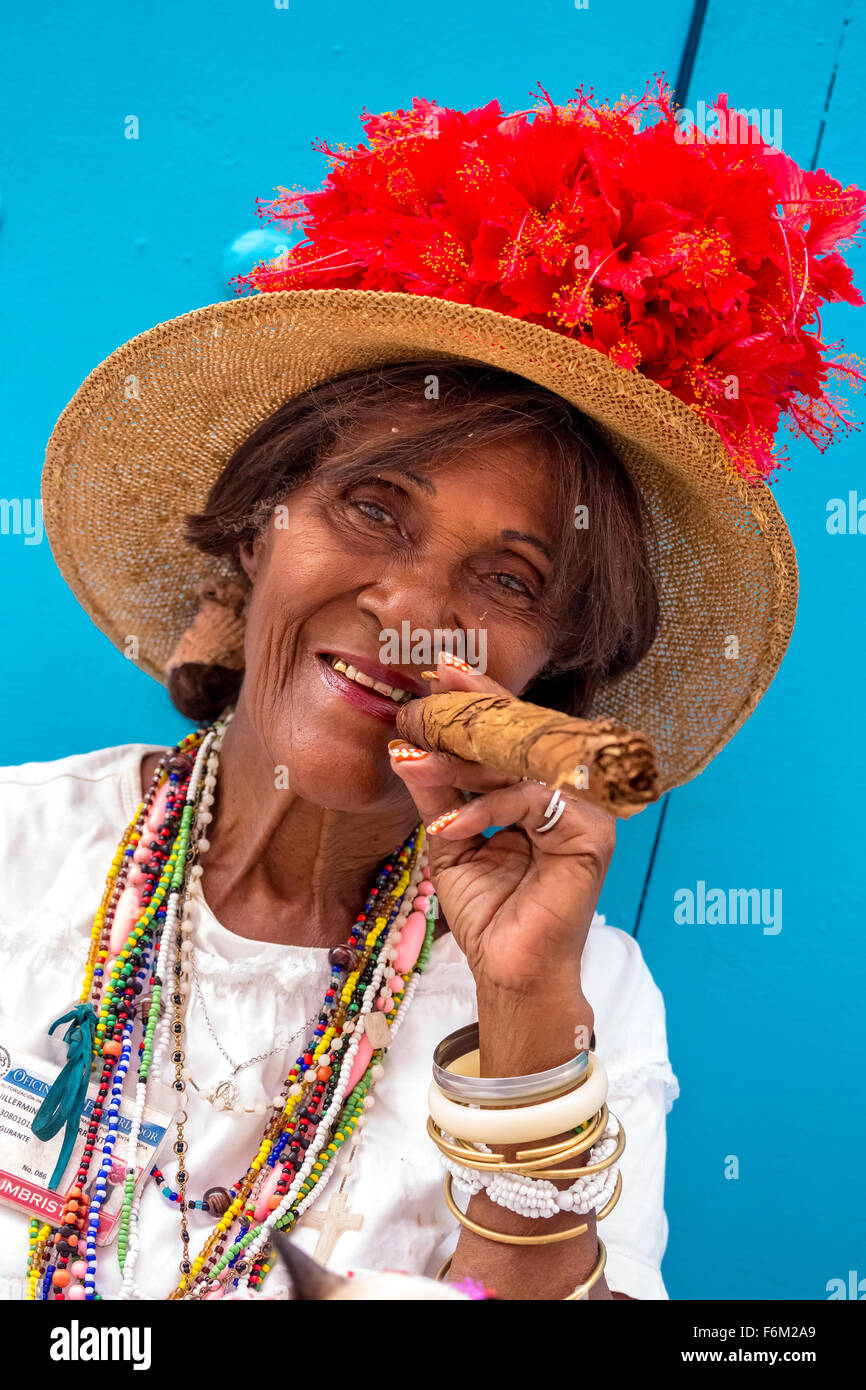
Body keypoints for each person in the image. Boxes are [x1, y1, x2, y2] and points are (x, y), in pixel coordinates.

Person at [1, 80, 861, 1302]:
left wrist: (518, 1008)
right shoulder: (15, 854)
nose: (410, 609)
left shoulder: (587, 995)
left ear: (548, 668)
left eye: (505, 577)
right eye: (371, 508)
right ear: (257, 530)